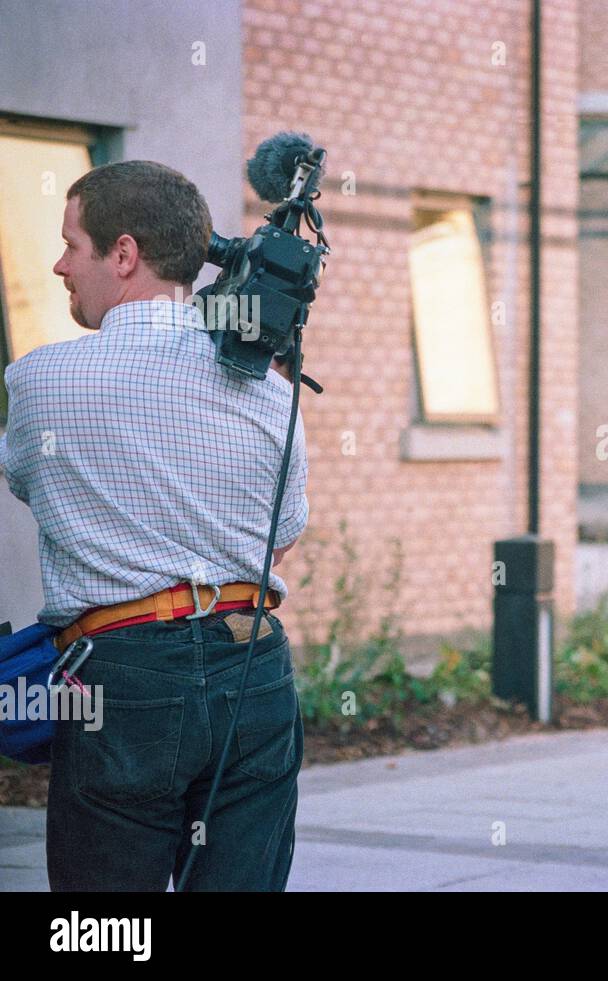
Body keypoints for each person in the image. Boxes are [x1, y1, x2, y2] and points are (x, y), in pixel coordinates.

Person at [0, 161, 308, 890]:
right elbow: (284, 531)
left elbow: (26, 482)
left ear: (125, 254)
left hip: (121, 677)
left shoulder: (40, 380)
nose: (58, 264)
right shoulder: (270, 388)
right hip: (254, 665)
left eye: (72, 244)